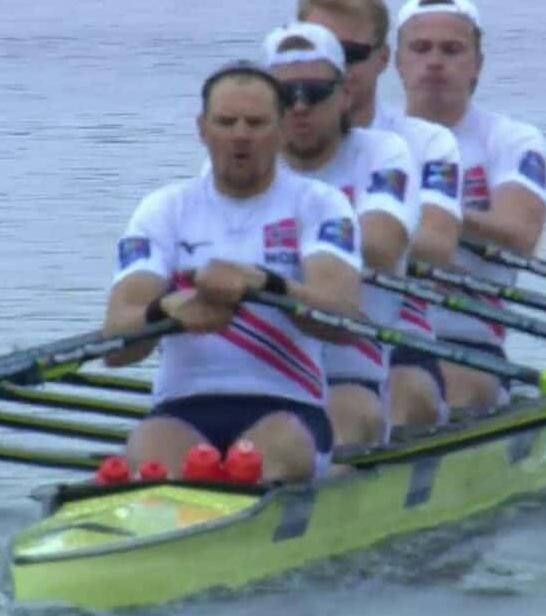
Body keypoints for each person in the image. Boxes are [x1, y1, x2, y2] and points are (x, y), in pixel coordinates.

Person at [101, 60, 364, 483]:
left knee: (268, 458)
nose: (241, 135)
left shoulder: (320, 204)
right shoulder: (164, 209)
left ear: (282, 130)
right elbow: (115, 347)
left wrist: (268, 284)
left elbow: (343, 318)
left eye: (256, 123)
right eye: (226, 122)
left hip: (288, 410)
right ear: (202, 129)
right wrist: (164, 311)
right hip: (181, 411)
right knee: (148, 451)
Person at [296, 0, 463, 430]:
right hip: (286, 329)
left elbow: (435, 246)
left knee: (409, 395)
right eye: (319, 51)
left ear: (383, 59)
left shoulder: (425, 143)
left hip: (395, 328)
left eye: (349, 54)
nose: (333, 68)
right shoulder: (253, 143)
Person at [261, 21, 420, 448]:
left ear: (345, 95)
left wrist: (264, 255)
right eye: (284, 95)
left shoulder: (383, 153)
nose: (299, 107)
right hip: (261, 373)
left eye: (314, 93)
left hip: (351, 371)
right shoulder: (238, 167)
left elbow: (382, 246)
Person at [394, 0, 546, 413]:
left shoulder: (510, 139)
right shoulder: (371, 143)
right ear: (397, 62)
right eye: (421, 48)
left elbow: (519, 236)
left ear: (477, 64)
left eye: (452, 50)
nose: (435, 61)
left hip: (465, 340)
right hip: (374, 336)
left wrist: (430, 215)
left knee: (438, 393)